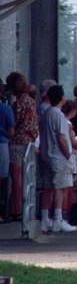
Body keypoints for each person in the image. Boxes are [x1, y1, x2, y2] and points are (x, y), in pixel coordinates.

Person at [38, 85, 76, 233]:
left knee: (47, 188)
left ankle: (45, 218)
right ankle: (58, 220)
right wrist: (68, 154)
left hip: (46, 156)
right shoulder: (59, 115)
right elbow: (61, 137)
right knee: (60, 188)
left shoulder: (46, 113)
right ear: (62, 98)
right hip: (59, 157)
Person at [7, 72, 37, 221]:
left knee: (17, 179)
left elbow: (14, 123)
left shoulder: (17, 104)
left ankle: (16, 210)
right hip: (29, 142)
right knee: (27, 178)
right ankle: (27, 209)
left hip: (17, 143)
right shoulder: (31, 102)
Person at [0, 85, 14, 222]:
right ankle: (2, 211)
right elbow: (11, 131)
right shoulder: (5, 109)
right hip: (2, 144)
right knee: (3, 178)